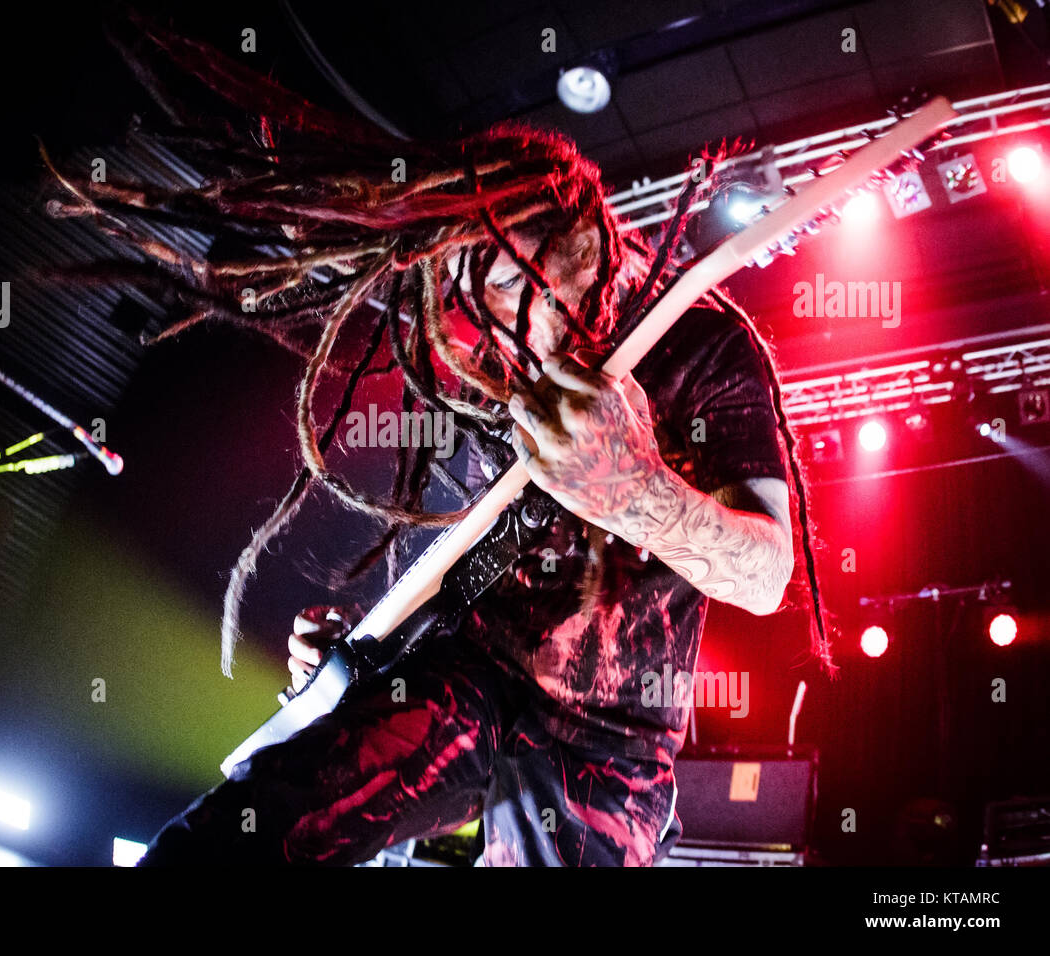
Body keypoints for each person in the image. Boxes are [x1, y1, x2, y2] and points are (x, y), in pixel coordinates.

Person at [44, 20, 834, 865]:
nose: (491, 322)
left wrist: (638, 491)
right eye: (469, 293)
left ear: (587, 240)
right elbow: (470, 560)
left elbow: (765, 574)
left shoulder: (702, 344)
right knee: (262, 819)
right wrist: (369, 646)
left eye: (504, 281)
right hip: (472, 682)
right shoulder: (491, 368)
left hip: (610, 745)